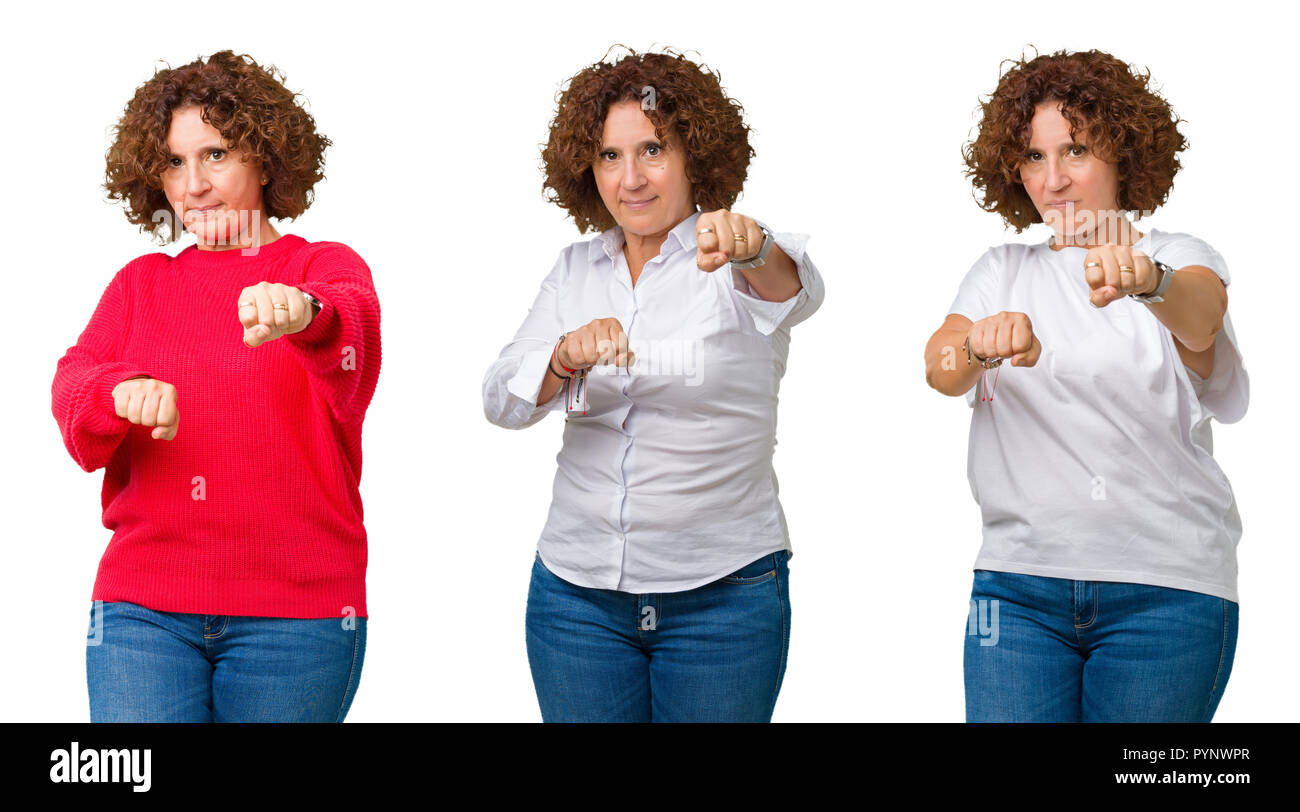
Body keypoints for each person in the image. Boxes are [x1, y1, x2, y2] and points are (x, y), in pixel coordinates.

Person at [482, 48, 824, 722]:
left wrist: (749, 243)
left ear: (696, 154)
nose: (631, 178)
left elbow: (796, 288)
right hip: (575, 601)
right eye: (610, 156)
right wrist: (563, 356)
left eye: (653, 150)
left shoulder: (735, 252)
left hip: (723, 599)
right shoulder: (575, 268)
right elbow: (499, 399)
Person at [53, 51, 382, 722]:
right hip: (142, 615)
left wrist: (305, 314)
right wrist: (120, 391)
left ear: (265, 158)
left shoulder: (321, 266)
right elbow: (75, 381)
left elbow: (355, 333)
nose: (194, 186)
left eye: (217, 154)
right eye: (175, 162)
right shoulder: (141, 284)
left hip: (297, 620)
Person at [924, 49, 1247, 722]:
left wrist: (1147, 280)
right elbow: (940, 366)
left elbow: (1201, 316)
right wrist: (976, 342)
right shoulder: (1001, 270)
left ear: (1123, 153)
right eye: (1035, 158)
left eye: (1075, 151)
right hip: (1015, 594)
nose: (1054, 180)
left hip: (1166, 593)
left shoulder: (1180, 257)